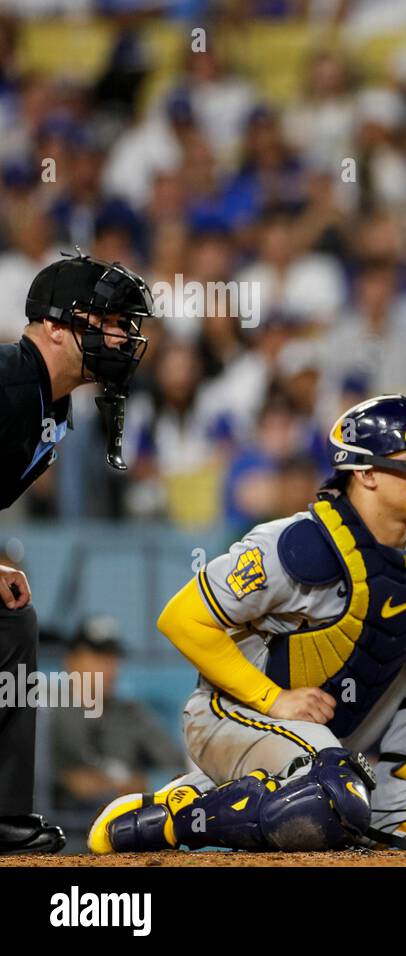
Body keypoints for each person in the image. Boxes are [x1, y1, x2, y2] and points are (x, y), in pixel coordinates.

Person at [88, 395, 406, 854]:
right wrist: (272, 698)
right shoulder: (301, 545)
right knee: (328, 804)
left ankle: (394, 803)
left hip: (337, 728)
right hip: (235, 713)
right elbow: (182, 618)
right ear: (365, 473)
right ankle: (175, 815)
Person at [0, 253, 151, 855]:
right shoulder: (9, 379)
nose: (122, 335)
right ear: (57, 326)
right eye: (109, 319)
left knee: (12, 621)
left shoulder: (49, 404)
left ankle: (5, 815)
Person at [49, 616, 185, 813]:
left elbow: (175, 765)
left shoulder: (131, 713)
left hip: (125, 824)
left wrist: (140, 783)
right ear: (71, 661)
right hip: (62, 825)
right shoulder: (47, 712)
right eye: (98, 657)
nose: (109, 667)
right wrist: (67, 780)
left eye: (113, 658)